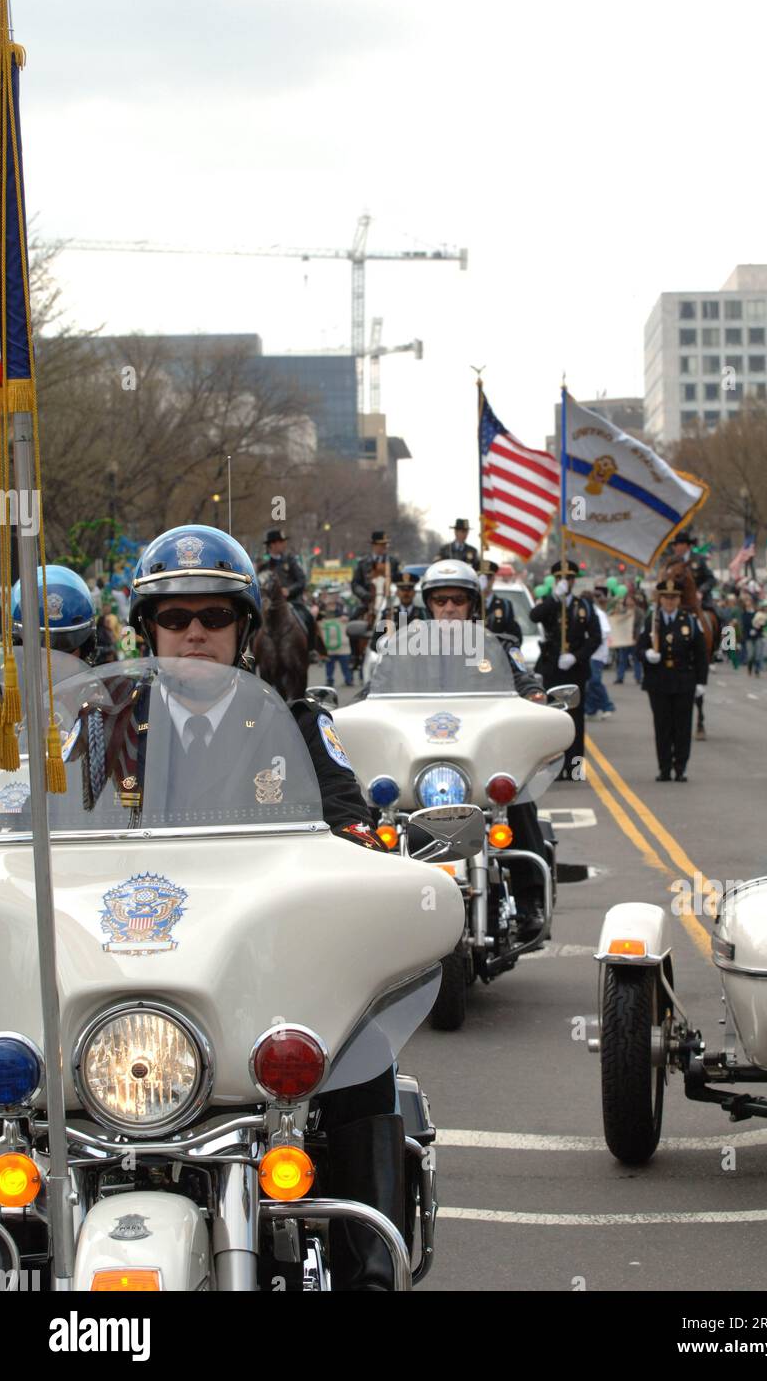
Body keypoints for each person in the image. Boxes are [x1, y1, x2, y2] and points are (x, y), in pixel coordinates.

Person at [121, 524, 402, 1291]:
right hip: (126, 968)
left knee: (362, 1052)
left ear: (242, 628)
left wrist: (363, 854)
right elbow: (37, 831)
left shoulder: (297, 725)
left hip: (266, 968)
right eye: (175, 619)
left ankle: (369, 1269)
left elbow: (349, 820)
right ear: (148, 630)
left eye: (213, 616)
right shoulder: (102, 731)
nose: (194, 634)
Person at [421, 559, 550, 940]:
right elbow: (372, 693)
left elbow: (524, 680)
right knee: (377, 811)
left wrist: (536, 696)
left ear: (471, 605)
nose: (448, 608)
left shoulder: (497, 647)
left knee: (519, 800)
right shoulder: (402, 652)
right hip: (424, 763)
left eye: (457, 600)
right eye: (440, 600)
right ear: (429, 604)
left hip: (483, 758)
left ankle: (529, 900)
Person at [529, 561, 601, 780]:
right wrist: (554, 598)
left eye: (569, 579)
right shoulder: (549, 603)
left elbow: (595, 637)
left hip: (574, 669)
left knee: (576, 721)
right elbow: (535, 616)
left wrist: (576, 657)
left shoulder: (584, 606)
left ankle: (576, 768)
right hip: (552, 668)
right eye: (561, 579)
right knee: (554, 720)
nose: (566, 583)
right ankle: (556, 769)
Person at [636, 578, 708, 782]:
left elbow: (700, 653)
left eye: (673, 598)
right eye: (666, 598)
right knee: (662, 726)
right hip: (658, 681)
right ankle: (664, 768)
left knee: (683, 727)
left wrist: (701, 682)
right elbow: (638, 649)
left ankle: (681, 767)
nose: (669, 601)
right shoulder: (652, 620)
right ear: (660, 599)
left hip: (684, 680)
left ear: (679, 599)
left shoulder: (690, 621)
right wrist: (647, 654)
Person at [11, 565, 100, 663]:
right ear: (18, 643)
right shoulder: (4, 677)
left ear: (86, 646)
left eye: (65, 645)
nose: (54, 661)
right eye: (40, 646)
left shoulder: (99, 678)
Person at [256, 528, 316, 651]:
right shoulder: (263, 564)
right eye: (281, 541)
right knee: (254, 623)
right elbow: (258, 584)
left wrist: (289, 590)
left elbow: (301, 581)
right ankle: (253, 655)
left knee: (308, 617)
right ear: (272, 544)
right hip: (268, 604)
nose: (284, 544)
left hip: (292, 602)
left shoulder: (290, 560)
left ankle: (311, 650)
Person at [372, 568, 427, 648]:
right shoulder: (388, 614)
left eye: (409, 589)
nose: (406, 593)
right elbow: (374, 643)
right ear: (397, 593)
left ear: (414, 593)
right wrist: (386, 643)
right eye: (402, 590)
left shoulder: (423, 613)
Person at [351, 531, 400, 618]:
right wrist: (365, 595)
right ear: (374, 545)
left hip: (389, 600)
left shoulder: (393, 562)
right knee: (353, 620)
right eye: (381, 545)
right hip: (369, 601)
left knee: (403, 618)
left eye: (385, 544)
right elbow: (355, 584)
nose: (384, 547)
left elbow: (398, 581)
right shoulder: (362, 563)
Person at [584, 586, 616, 719]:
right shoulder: (584, 612)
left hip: (597, 654)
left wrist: (588, 639)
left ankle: (607, 706)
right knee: (588, 682)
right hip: (587, 653)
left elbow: (604, 632)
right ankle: (590, 709)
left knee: (594, 681)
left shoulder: (598, 614)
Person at [667, 528, 717, 608]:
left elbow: (711, 580)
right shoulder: (673, 562)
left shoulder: (699, 559)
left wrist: (701, 591)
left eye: (677, 544)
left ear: (685, 545)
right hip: (679, 602)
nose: (675, 547)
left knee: (716, 617)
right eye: (674, 545)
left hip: (701, 601)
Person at [317, 587, 354, 687]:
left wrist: (345, 617)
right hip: (328, 643)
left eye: (335, 594)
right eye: (331, 594)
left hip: (342, 642)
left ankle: (348, 679)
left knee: (345, 663)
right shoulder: (321, 607)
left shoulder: (342, 606)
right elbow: (317, 619)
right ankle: (329, 680)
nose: (333, 597)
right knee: (329, 663)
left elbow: (348, 615)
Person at [480, 560, 522, 644]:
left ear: (493, 579)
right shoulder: (470, 604)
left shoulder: (505, 606)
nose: (485, 582)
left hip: (496, 654)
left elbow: (515, 637)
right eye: (481, 578)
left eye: (488, 578)